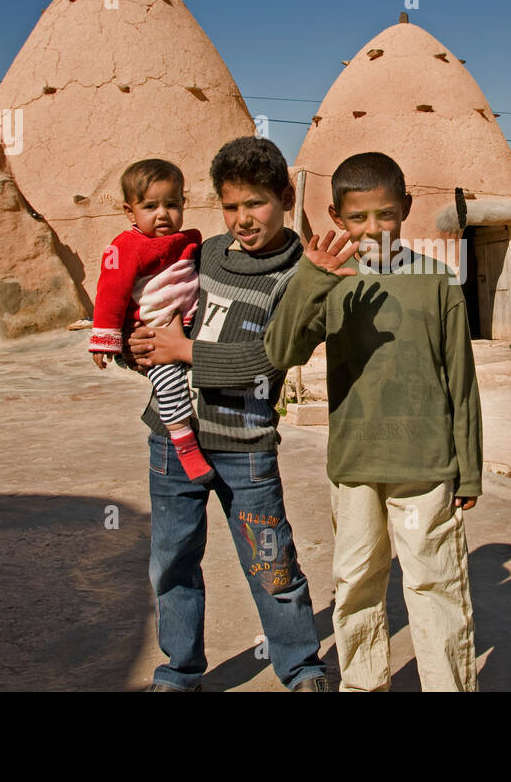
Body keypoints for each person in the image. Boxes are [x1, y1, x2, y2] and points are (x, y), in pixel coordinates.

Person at [263, 151, 482, 692]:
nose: (374, 229)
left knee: (435, 586)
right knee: (356, 583)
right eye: (358, 218)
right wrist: (311, 277)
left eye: (386, 215)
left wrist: (468, 469)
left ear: (406, 208)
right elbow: (280, 350)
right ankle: (363, 684)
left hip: (427, 466)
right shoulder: (332, 281)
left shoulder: (438, 282)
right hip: (355, 464)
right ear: (336, 217)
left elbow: (461, 379)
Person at [127, 137, 328, 692]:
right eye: (231, 206)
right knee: (173, 562)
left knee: (272, 564)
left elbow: (272, 357)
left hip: (247, 447)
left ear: (286, 197)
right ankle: (179, 671)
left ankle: (302, 667)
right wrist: (136, 345)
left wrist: (185, 351)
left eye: (256, 203)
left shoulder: (301, 273)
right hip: (173, 438)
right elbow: (163, 315)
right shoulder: (204, 253)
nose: (243, 219)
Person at [90, 158, 211, 483]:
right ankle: (184, 443)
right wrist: (106, 339)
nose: (163, 214)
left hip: (189, 324)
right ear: (130, 212)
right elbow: (111, 292)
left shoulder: (190, 240)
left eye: (172, 205)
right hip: (156, 331)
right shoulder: (126, 247)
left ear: (183, 204)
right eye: (150, 206)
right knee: (169, 381)